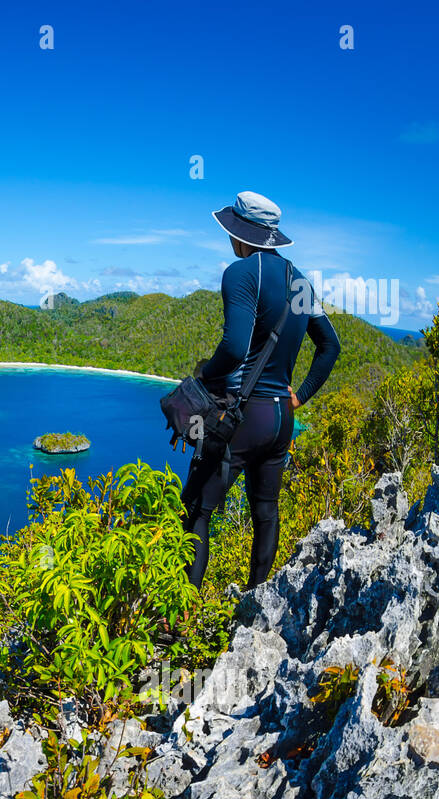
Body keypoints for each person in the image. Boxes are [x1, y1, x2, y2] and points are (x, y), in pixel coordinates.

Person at [181, 191, 341, 589]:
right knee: (265, 513)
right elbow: (330, 346)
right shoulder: (300, 281)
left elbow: (234, 349)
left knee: (198, 510)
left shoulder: (240, 273)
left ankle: (177, 623)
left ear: (241, 233)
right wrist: (299, 395)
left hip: (243, 417)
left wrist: (202, 379)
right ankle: (254, 612)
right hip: (282, 419)